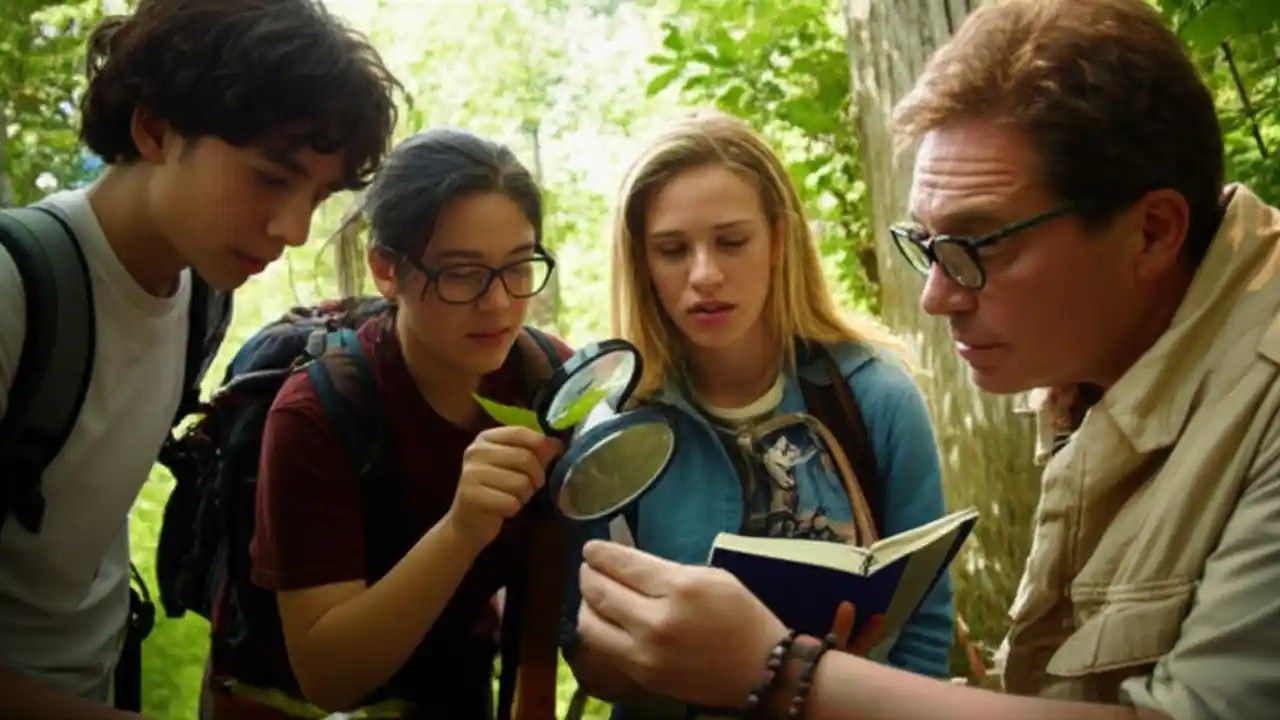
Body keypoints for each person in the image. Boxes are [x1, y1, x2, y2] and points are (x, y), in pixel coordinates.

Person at [570, 1, 1280, 719]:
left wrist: (783, 673)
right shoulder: (1096, 365)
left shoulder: (1260, 400)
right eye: (928, 246)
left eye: (978, 245)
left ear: (1153, 233)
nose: (936, 299)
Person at [0, 1, 399, 718]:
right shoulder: (16, 293)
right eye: (271, 178)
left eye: (318, 194)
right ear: (155, 127)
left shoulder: (202, 299)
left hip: (99, 668)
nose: (295, 230)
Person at [562, 111, 955, 717]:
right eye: (672, 250)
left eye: (731, 241)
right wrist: (630, 642)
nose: (705, 275)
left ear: (778, 241)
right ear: (641, 263)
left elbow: (926, 628)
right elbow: (589, 661)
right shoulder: (614, 425)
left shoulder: (876, 398)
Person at [203, 128, 573, 719]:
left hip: (452, 688)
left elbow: (545, 581)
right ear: (387, 270)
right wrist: (462, 529)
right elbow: (327, 675)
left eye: (518, 267)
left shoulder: (544, 377)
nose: (499, 303)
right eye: (460, 273)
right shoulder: (319, 412)